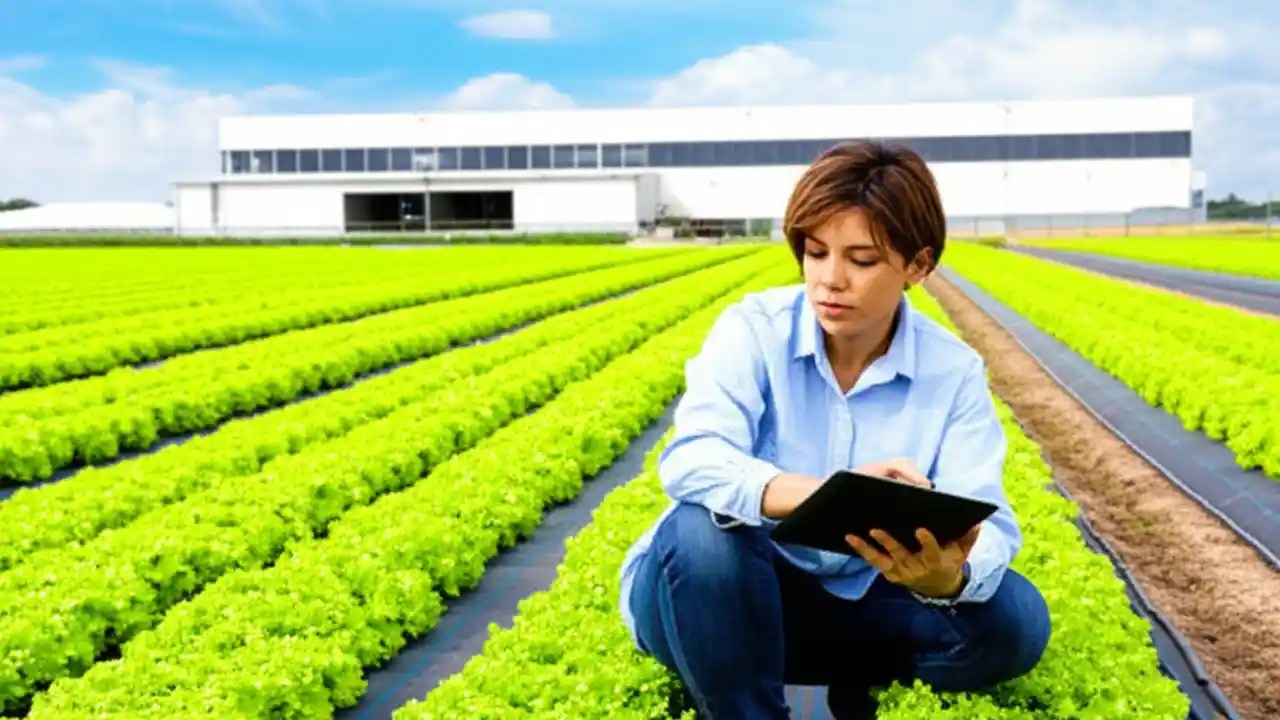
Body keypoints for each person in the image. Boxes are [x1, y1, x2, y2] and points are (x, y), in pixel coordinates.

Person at [617, 140, 1052, 719]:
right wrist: (830, 493)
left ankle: (857, 679)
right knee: (704, 532)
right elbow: (693, 457)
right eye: (816, 252)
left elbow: (990, 518)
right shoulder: (753, 330)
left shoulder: (952, 370)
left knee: (1014, 620)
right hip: (719, 602)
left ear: (917, 266)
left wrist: (949, 576)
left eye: (861, 260)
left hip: (857, 602)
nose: (829, 279)